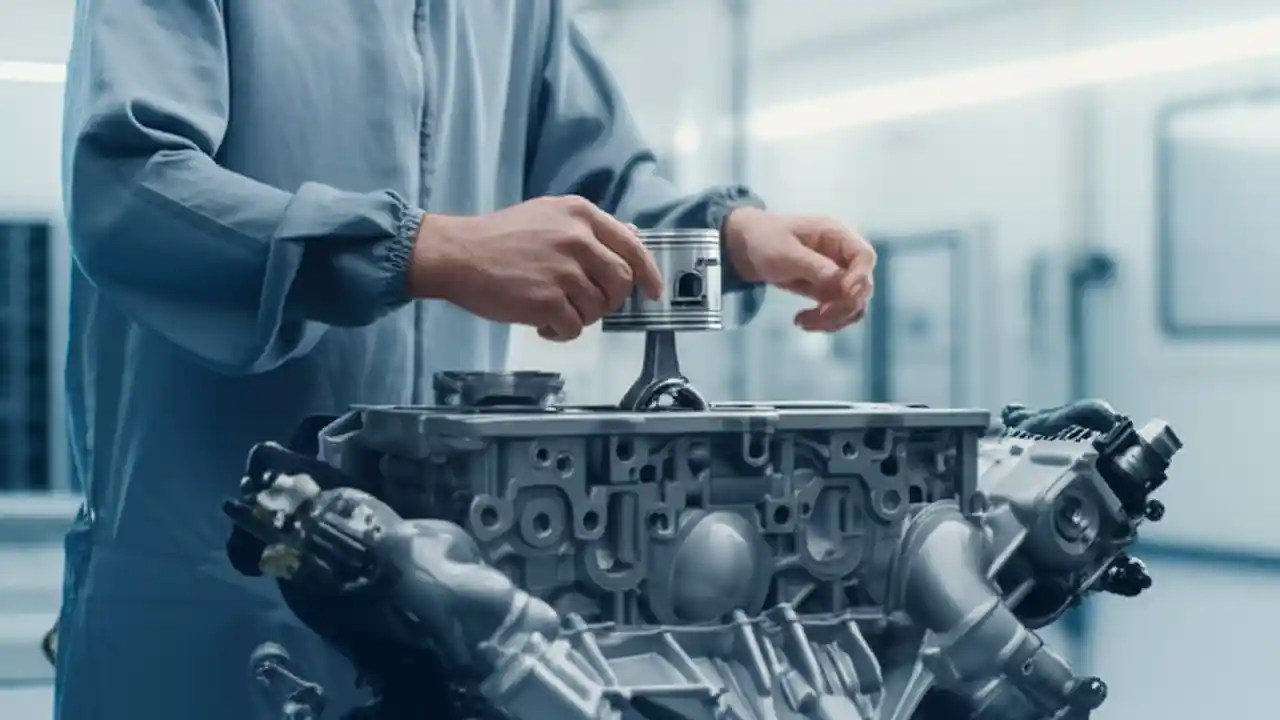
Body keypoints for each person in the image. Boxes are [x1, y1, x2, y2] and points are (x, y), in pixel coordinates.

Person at [54, 1, 876, 718]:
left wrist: (729, 242)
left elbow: (608, 205)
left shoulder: (515, 11)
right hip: (205, 591)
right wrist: (425, 251)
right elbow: (127, 188)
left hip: (448, 605)